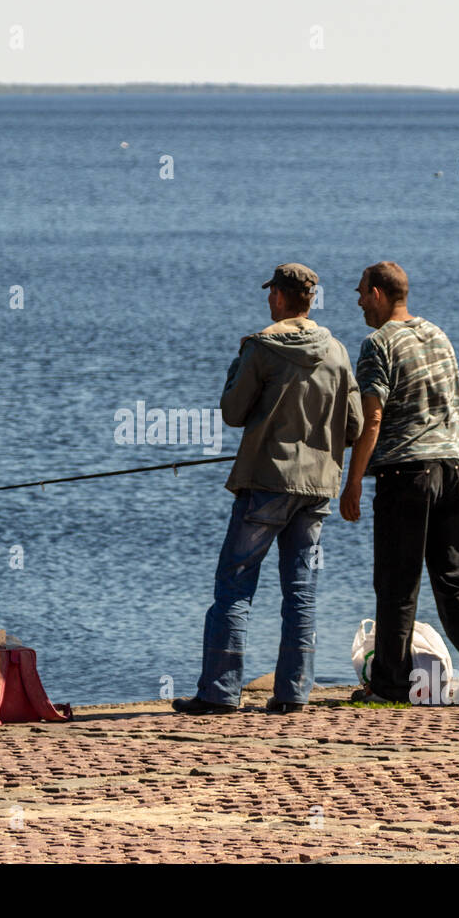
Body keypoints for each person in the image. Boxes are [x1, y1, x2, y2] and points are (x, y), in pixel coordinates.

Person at [174, 263, 363, 715]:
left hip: (266, 484)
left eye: (271, 293)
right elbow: (354, 427)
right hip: (317, 488)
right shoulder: (336, 351)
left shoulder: (261, 348)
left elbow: (233, 412)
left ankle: (220, 692)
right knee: (300, 592)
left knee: (235, 586)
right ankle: (293, 693)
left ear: (279, 297)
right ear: (311, 300)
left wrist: (239, 361)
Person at [339, 261, 459, 704]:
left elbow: (372, 418)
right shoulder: (439, 335)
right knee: (454, 576)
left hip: (404, 473)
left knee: (396, 581)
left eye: (359, 293)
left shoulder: (378, 343)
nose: (356, 302)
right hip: (452, 466)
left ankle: (390, 685)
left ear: (376, 293)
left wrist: (352, 482)